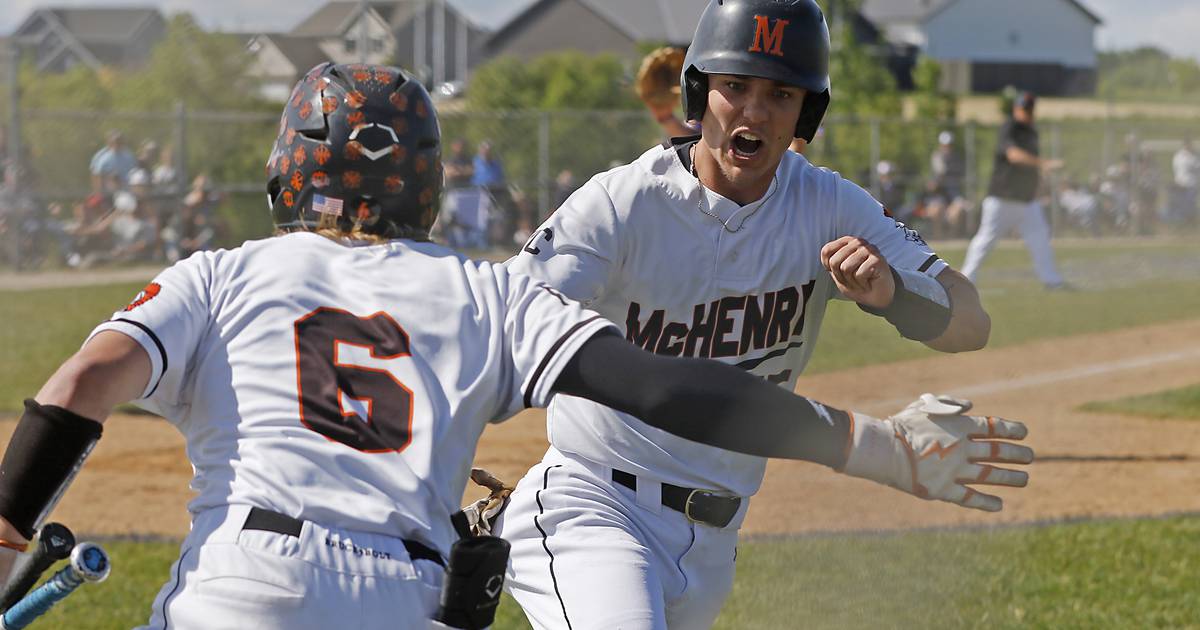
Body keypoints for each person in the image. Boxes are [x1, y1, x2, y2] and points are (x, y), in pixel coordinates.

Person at [0, 62, 1031, 630]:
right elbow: (668, 390)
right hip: (410, 600)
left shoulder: (218, 273)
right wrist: (872, 445)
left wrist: (7, 525)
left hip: (248, 583)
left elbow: (86, 379)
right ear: (430, 182)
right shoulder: (485, 291)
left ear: (287, 174)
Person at [499, 2, 996, 629]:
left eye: (781, 93)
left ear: (805, 112)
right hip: (595, 504)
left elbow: (970, 320)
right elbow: (507, 321)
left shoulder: (829, 205)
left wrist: (893, 292)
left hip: (716, 535)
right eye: (735, 86)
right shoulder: (622, 202)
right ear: (699, 91)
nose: (755, 111)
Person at [960, 91, 1068, 289]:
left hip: (1026, 200)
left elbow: (1031, 167)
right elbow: (1013, 155)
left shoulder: (1031, 132)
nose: (1025, 112)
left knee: (1040, 238)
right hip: (1003, 198)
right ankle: (967, 278)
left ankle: (1051, 280)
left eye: (1028, 109)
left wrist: (1039, 183)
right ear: (1016, 108)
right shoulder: (1009, 127)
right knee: (986, 240)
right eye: (1022, 108)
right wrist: (1043, 164)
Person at [89, 130, 138, 195]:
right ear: (110, 142)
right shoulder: (103, 157)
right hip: (108, 193)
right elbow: (97, 175)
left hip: (127, 191)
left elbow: (135, 173)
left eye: (120, 141)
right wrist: (98, 193)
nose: (118, 143)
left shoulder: (129, 156)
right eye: (115, 141)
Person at [1170, 135, 1198, 226]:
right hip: (1180, 184)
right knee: (1182, 204)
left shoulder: (1194, 156)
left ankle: (1190, 222)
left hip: (1191, 184)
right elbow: (1176, 169)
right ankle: (1182, 222)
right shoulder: (1178, 156)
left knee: (1190, 204)